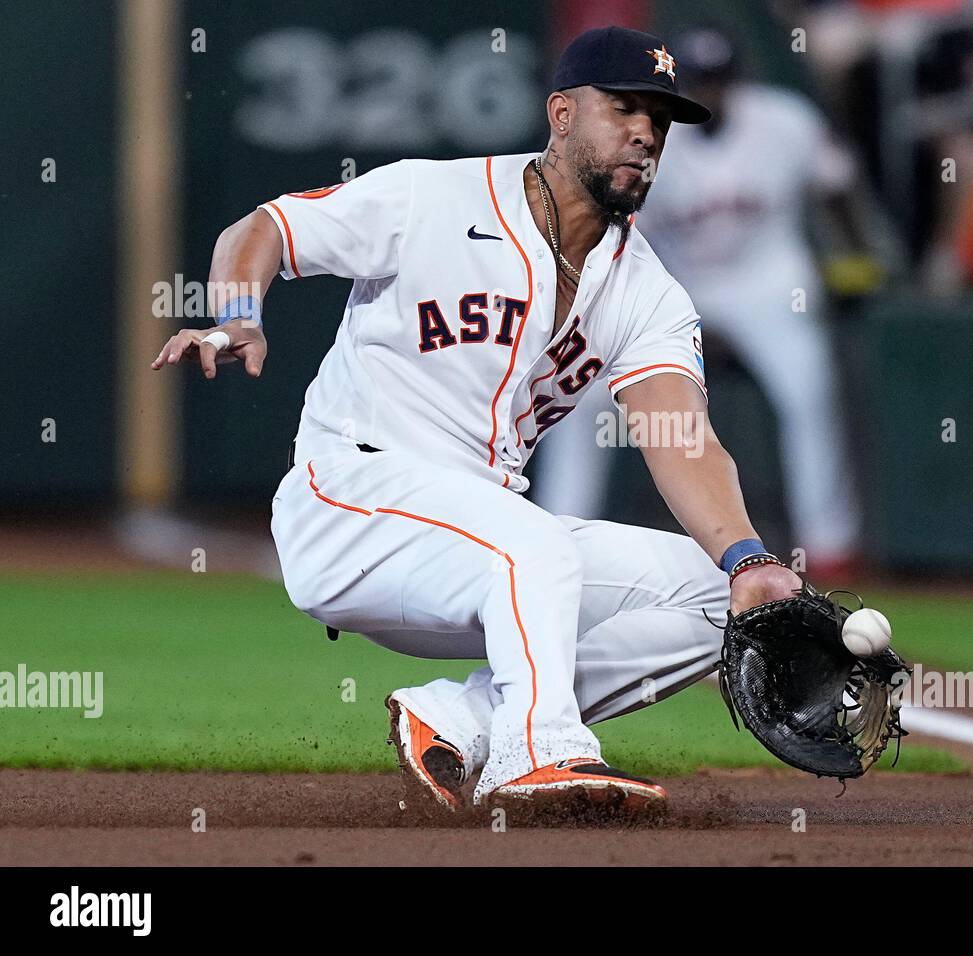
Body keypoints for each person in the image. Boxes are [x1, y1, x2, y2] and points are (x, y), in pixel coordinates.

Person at [149, 26, 804, 814]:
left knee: (714, 601)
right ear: (561, 113)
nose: (644, 134)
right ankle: (540, 754)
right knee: (529, 541)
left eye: (659, 121)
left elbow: (679, 436)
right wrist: (237, 316)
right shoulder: (436, 195)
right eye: (624, 108)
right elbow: (263, 230)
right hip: (351, 498)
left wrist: (747, 560)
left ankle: (461, 718)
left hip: (476, 547)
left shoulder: (648, 291)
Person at [531, 25, 873, 580]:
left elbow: (837, 185)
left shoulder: (785, 120)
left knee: (808, 388)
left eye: (720, 80)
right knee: (582, 388)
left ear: (738, 81)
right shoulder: (645, 134)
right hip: (669, 280)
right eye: (700, 82)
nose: (711, 94)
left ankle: (829, 543)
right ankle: (554, 533)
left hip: (767, 281)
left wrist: (856, 257)